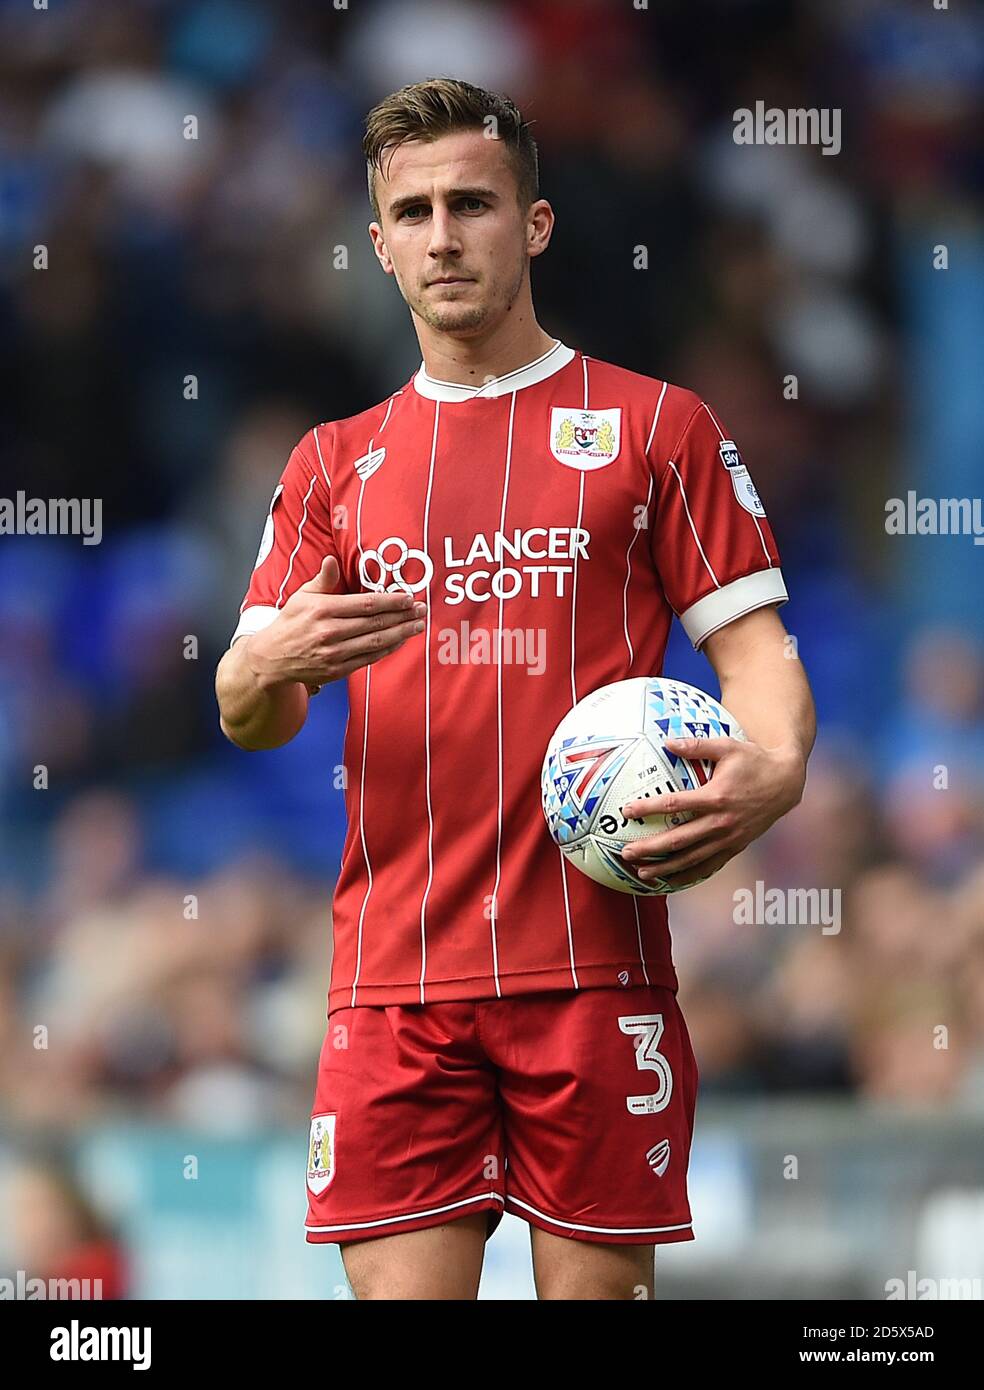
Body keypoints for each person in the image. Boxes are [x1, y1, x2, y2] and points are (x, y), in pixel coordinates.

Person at [214, 76, 816, 1300]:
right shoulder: (335, 464)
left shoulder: (657, 427)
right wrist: (260, 666)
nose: (445, 235)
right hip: (395, 986)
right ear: (378, 245)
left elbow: (760, 667)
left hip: (596, 975)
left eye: (474, 203)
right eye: (415, 211)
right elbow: (251, 708)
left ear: (532, 225)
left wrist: (776, 765)